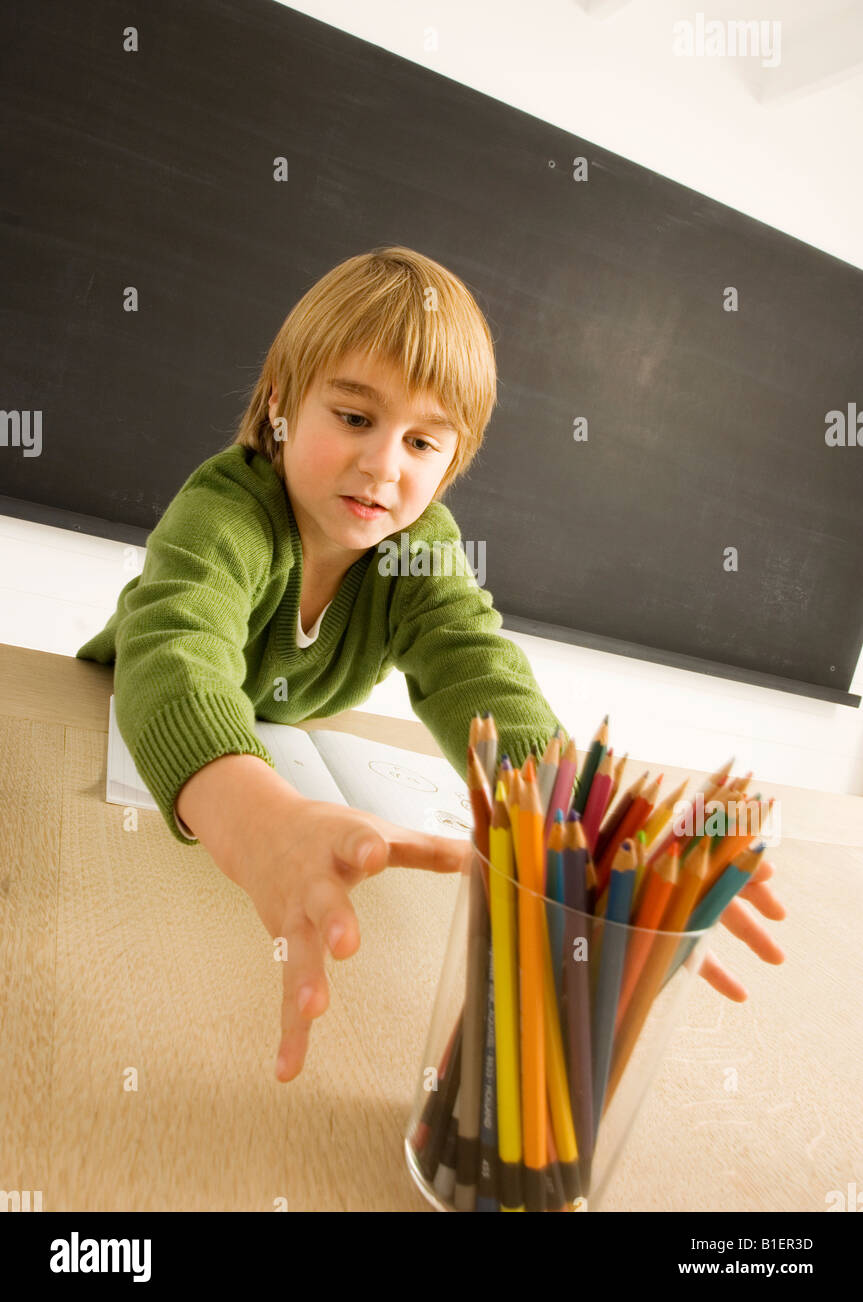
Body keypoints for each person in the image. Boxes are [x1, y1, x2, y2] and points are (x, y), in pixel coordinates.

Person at [77, 245, 784, 1083]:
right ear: (279, 406)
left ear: (455, 461)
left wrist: (583, 829)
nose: (383, 466)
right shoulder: (227, 511)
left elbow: (477, 671)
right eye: (352, 418)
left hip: (271, 738)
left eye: (422, 441)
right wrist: (255, 819)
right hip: (97, 729)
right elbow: (176, 651)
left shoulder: (417, 552)